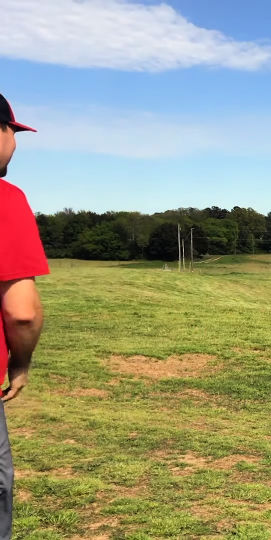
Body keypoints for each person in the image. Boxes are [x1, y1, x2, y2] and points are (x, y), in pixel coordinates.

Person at [0, 92, 47, 538]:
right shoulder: (4, 199)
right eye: (13, 133)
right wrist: (21, 363)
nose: (15, 144)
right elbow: (22, 312)